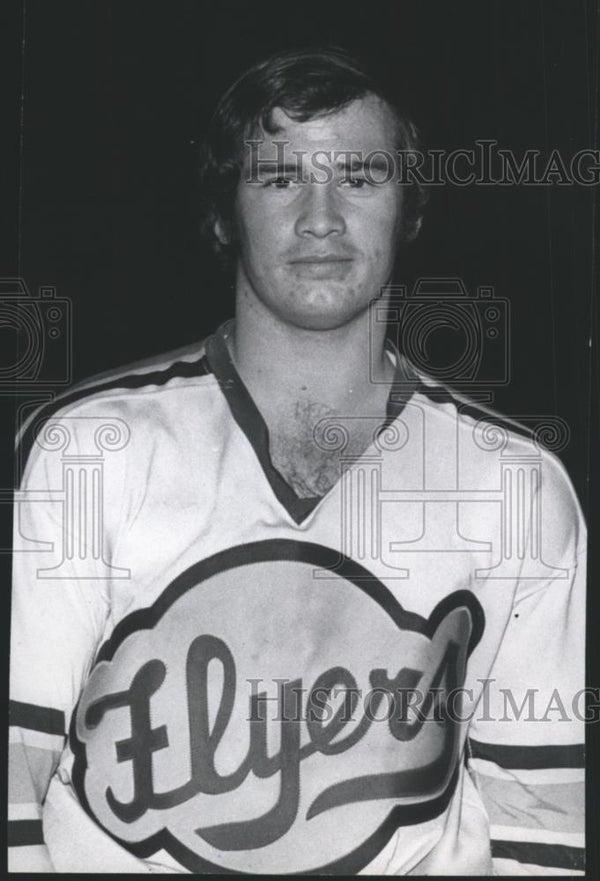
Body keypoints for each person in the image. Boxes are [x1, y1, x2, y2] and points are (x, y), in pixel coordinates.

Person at [9, 47, 586, 875]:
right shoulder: (91, 451)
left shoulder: (515, 485)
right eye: (280, 178)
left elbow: (543, 826)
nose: (322, 216)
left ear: (410, 208)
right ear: (223, 213)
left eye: (360, 177)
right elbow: (14, 782)